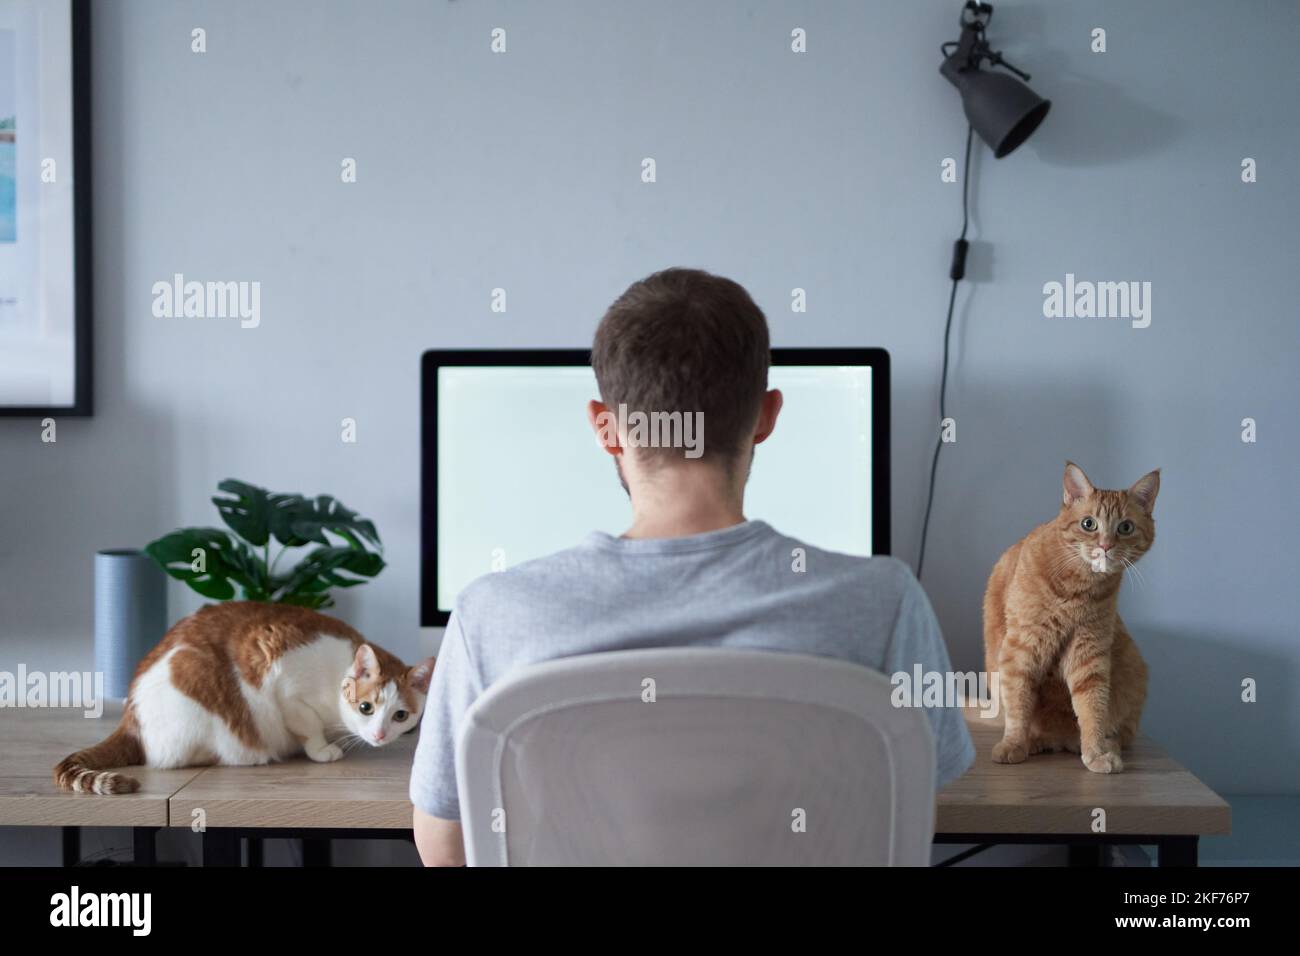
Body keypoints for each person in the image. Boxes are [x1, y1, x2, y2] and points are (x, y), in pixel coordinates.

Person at [410, 267, 975, 866]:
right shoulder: (884, 603)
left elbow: (446, 847)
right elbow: (907, 816)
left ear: (605, 428)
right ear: (766, 415)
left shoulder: (492, 615)